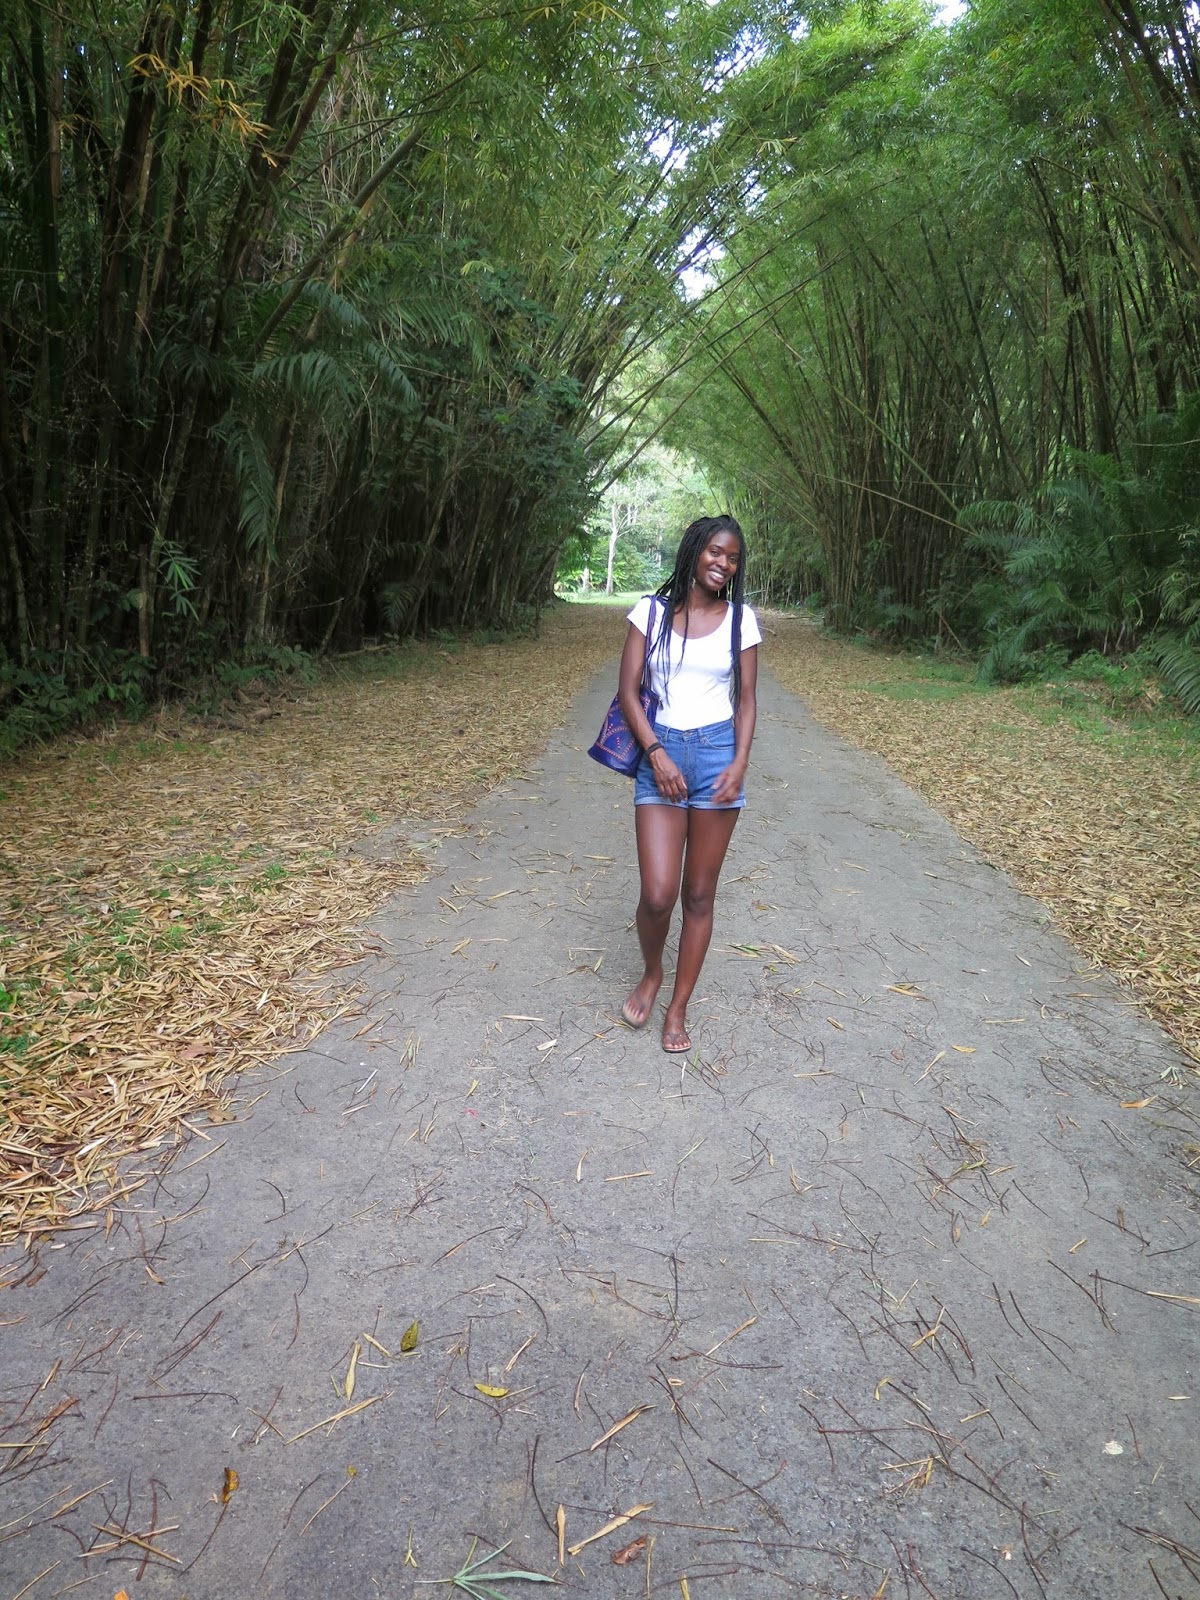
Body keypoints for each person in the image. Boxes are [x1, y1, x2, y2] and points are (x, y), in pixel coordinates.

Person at [616, 514, 761, 1054]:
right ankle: (652, 971)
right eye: (716, 552)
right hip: (661, 756)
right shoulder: (650, 613)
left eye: (733, 558)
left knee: (698, 894)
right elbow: (628, 692)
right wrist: (655, 753)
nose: (724, 564)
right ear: (695, 550)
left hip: (718, 756)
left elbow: (747, 700)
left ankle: (678, 1007)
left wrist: (739, 762)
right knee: (658, 895)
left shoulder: (741, 621)